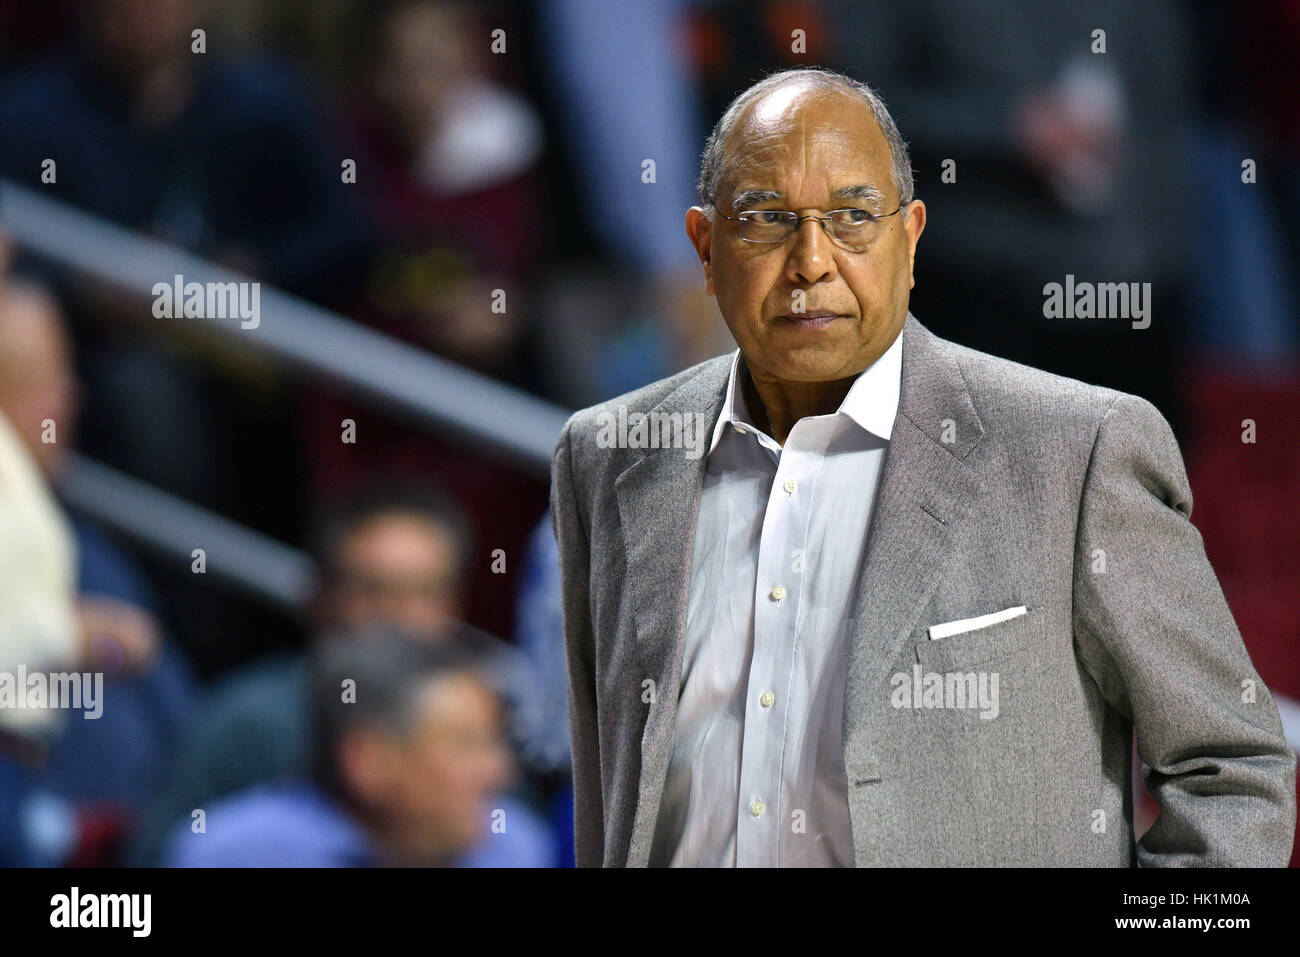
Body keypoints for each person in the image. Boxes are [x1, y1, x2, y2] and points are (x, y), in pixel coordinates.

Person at [550, 67, 1296, 867]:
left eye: (852, 217)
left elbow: (1234, 768)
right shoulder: (607, 455)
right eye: (768, 218)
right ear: (705, 246)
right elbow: (610, 793)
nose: (811, 261)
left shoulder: (1077, 449)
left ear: (909, 239)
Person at [162, 628, 551, 867]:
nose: (499, 772)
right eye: (465, 745)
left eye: (493, 742)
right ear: (368, 761)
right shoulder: (237, 858)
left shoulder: (511, 848)